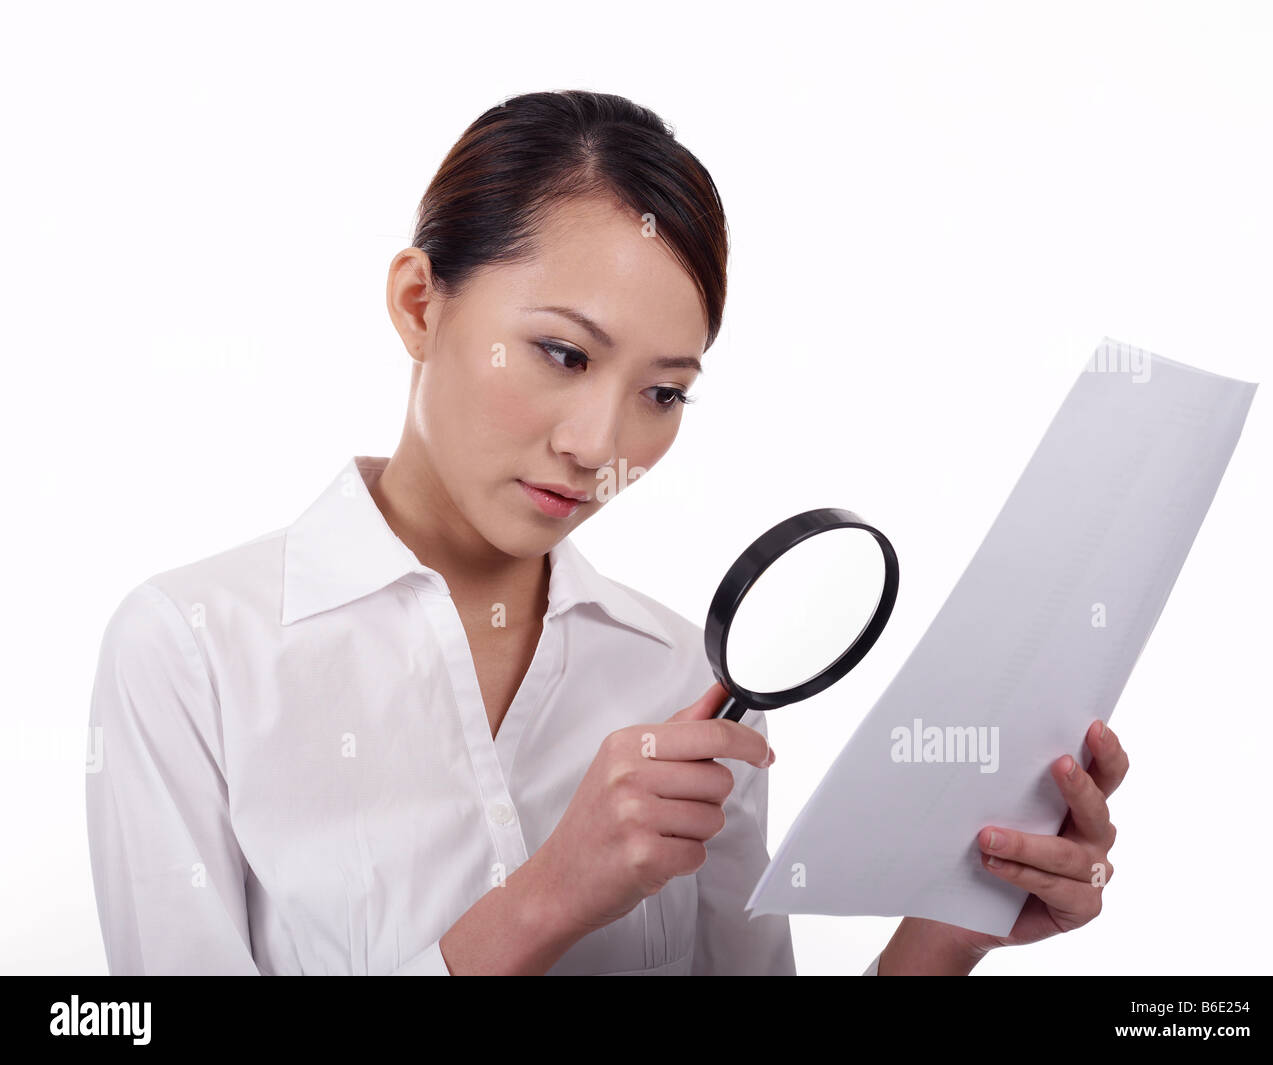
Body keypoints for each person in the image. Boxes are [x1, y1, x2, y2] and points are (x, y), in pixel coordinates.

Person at [85, 89, 1126, 976]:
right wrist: (547, 900)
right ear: (417, 303)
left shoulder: (692, 678)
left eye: (663, 393)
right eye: (562, 353)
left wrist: (949, 929)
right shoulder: (192, 652)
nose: (599, 445)